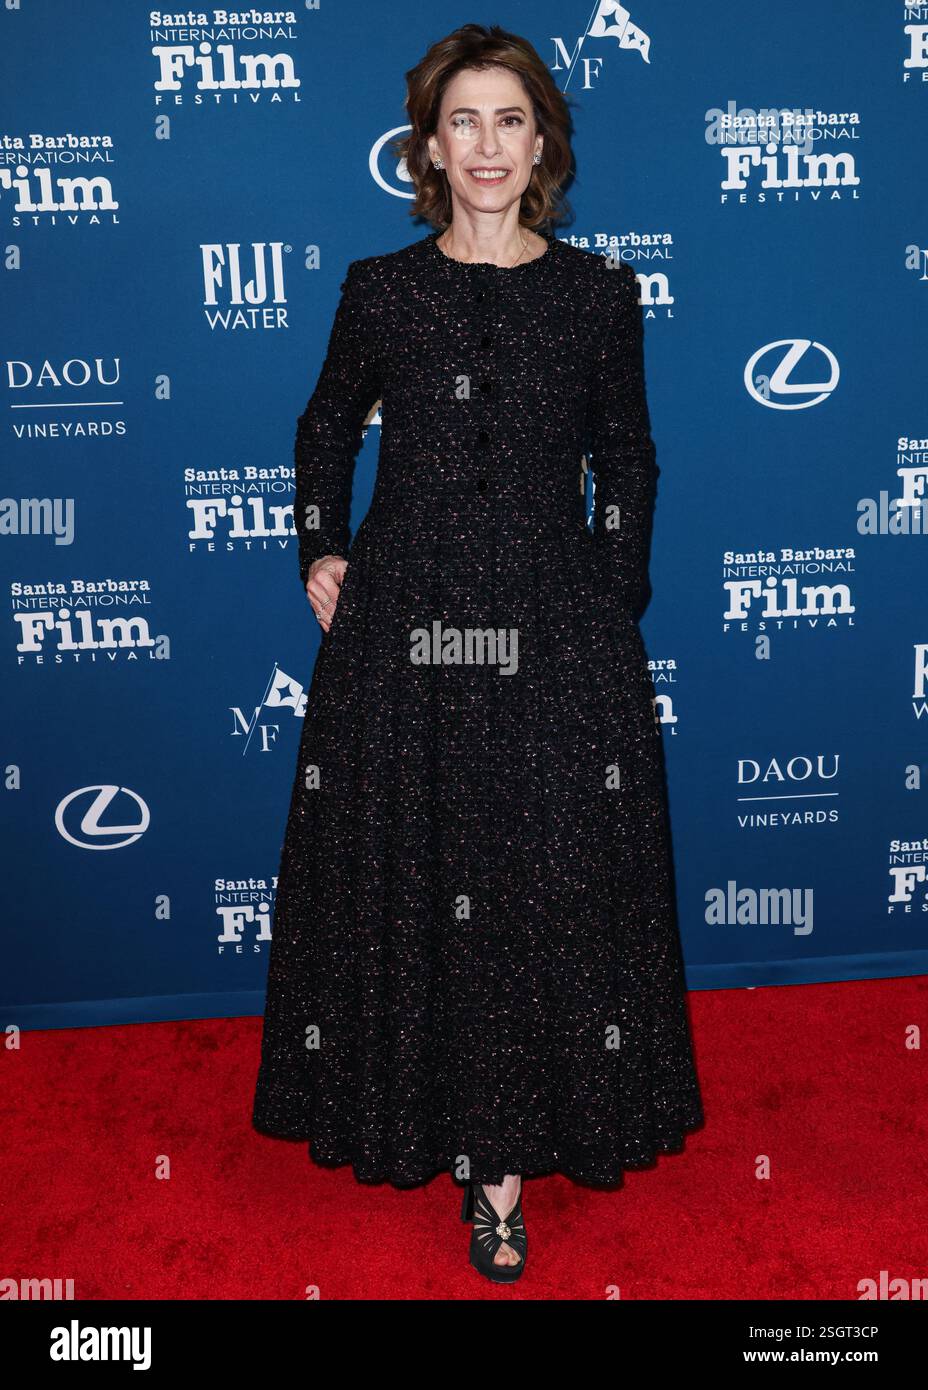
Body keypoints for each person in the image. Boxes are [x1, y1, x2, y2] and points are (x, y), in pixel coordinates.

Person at [253, 22, 703, 1286]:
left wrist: (612, 593)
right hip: (405, 631)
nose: (488, 145)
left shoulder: (599, 291)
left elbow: (628, 455)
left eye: (511, 120)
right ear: (430, 146)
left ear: (542, 141)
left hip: (554, 633)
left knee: (537, 887)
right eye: (465, 122)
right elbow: (324, 424)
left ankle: (503, 1169)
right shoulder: (380, 289)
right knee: (423, 871)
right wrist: (319, 548)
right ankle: (436, 1120)